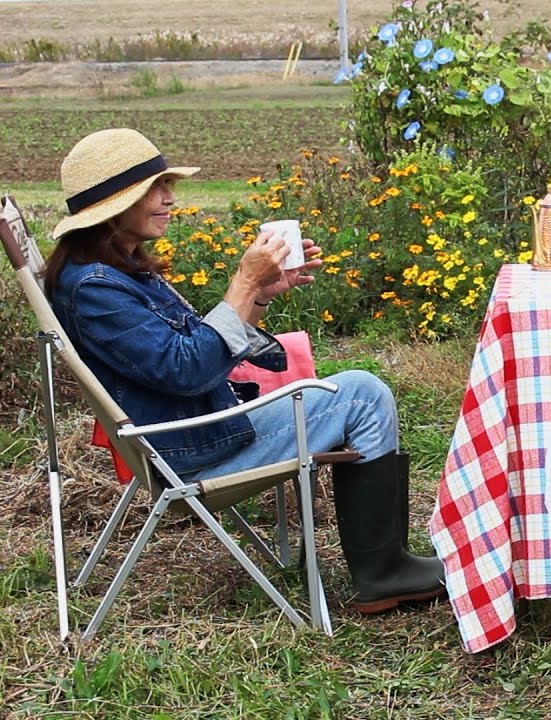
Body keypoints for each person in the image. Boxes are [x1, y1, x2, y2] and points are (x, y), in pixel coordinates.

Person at [43, 127, 446, 613]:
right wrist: (242, 281)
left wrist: (258, 293)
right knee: (362, 395)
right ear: (113, 204)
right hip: (191, 447)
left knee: (358, 389)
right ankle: (384, 572)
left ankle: (389, 564)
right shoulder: (96, 290)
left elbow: (202, 352)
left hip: (198, 429)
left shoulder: (113, 273)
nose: (171, 199)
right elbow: (189, 370)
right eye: (156, 189)